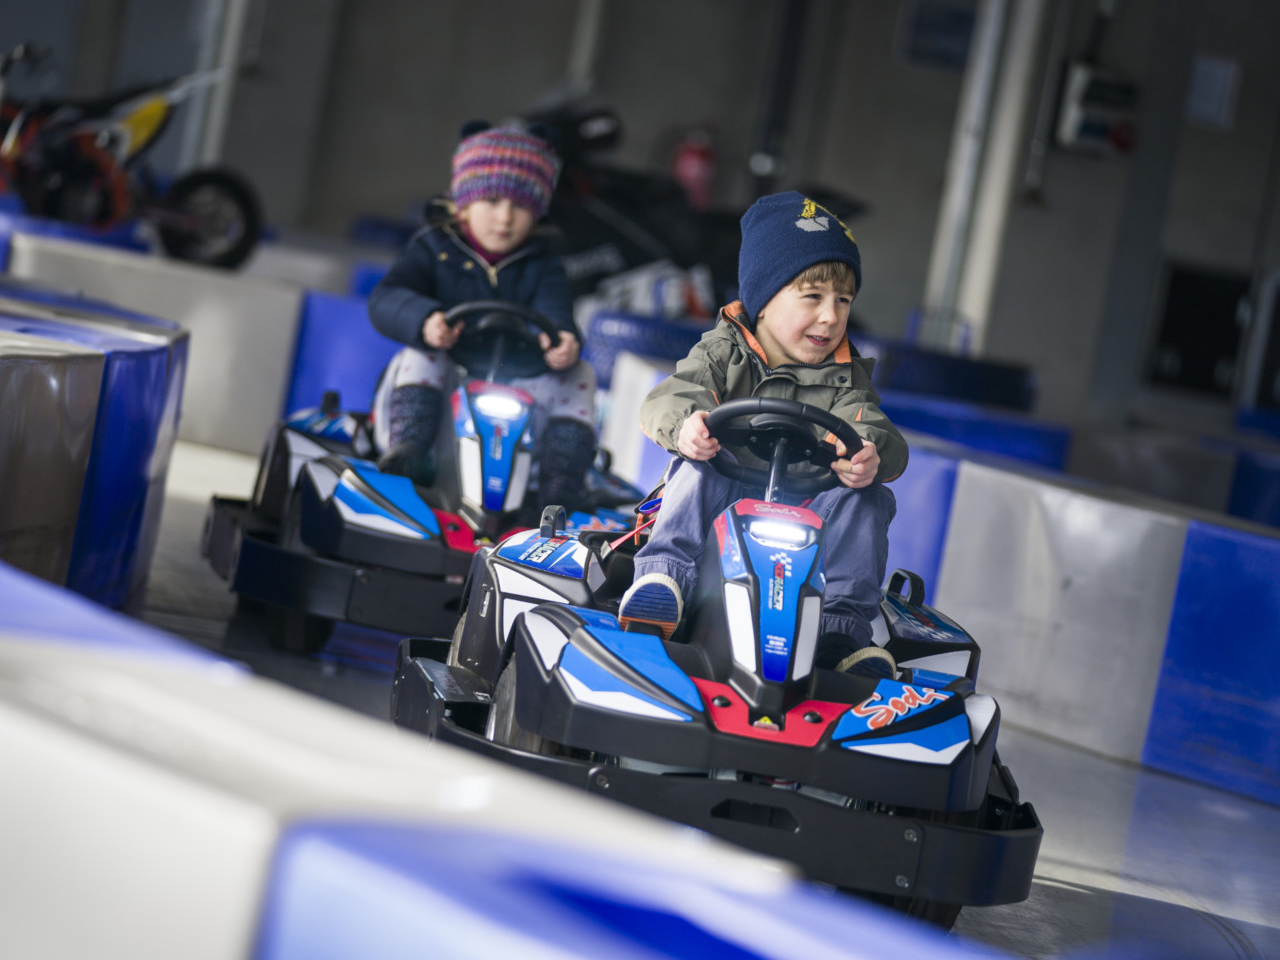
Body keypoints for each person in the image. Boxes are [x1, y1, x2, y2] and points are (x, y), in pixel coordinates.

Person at [618, 191, 908, 678]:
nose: (831, 316)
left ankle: (838, 633)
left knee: (865, 497)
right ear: (764, 299)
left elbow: (871, 424)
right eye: (813, 297)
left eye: (843, 300)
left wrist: (867, 451)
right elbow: (670, 397)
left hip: (801, 520)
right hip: (720, 508)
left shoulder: (846, 377)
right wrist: (687, 424)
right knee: (700, 463)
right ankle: (664, 582)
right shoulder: (721, 352)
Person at [368, 121, 596, 512]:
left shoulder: (543, 262)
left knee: (580, 374)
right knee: (421, 352)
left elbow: (556, 311)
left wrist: (562, 340)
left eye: (520, 206)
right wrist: (425, 321)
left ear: (537, 212)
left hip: (513, 382)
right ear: (463, 203)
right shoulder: (433, 247)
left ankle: (560, 484)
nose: (505, 218)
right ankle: (410, 449)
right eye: (492, 201)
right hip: (447, 380)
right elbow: (385, 299)